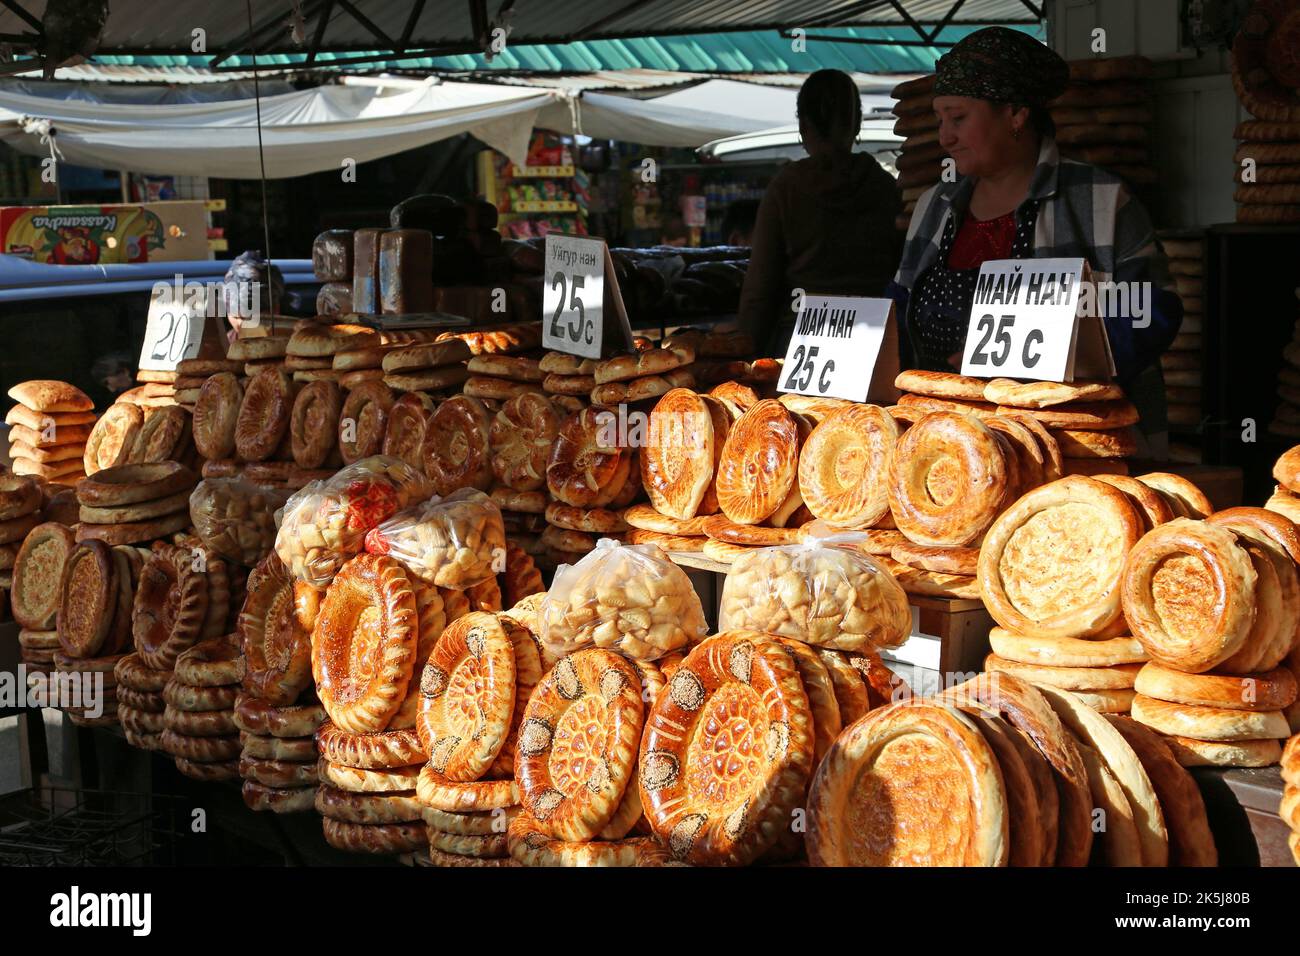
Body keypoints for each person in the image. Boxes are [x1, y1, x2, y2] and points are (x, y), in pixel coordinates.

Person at [888, 27, 1180, 444]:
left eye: (958, 118)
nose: (944, 137)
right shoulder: (935, 206)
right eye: (939, 121)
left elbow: (1150, 312)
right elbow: (899, 307)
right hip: (945, 439)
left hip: (1072, 443)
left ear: (1015, 114)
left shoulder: (1097, 199)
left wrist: (1036, 371)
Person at [738, 69, 901, 356]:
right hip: (874, 336)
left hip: (802, 341)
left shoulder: (786, 187)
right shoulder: (885, 186)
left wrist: (745, 356)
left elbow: (759, 291)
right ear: (858, 123)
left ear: (804, 126)